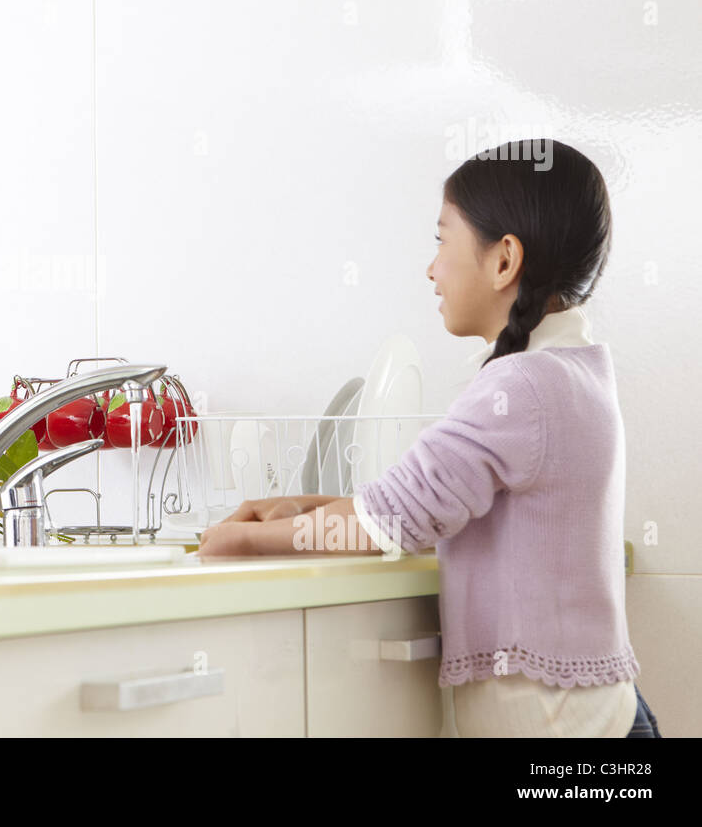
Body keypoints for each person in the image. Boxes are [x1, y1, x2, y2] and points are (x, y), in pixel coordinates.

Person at [199, 139, 660, 738]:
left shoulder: (523, 385)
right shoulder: (570, 371)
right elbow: (426, 501)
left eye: (442, 241)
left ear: (504, 261)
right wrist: (305, 508)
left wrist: (243, 542)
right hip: (597, 720)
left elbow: (393, 519)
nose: (431, 267)